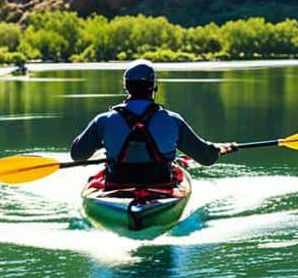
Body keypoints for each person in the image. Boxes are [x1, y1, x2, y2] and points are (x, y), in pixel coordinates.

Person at [70, 59, 237, 184]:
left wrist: (103, 141)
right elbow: (206, 157)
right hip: (160, 183)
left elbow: (77, 155)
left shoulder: (103, 121)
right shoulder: (173, 120)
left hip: (117, 181)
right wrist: (219, 149)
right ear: (155, 87)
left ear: (126, 87)